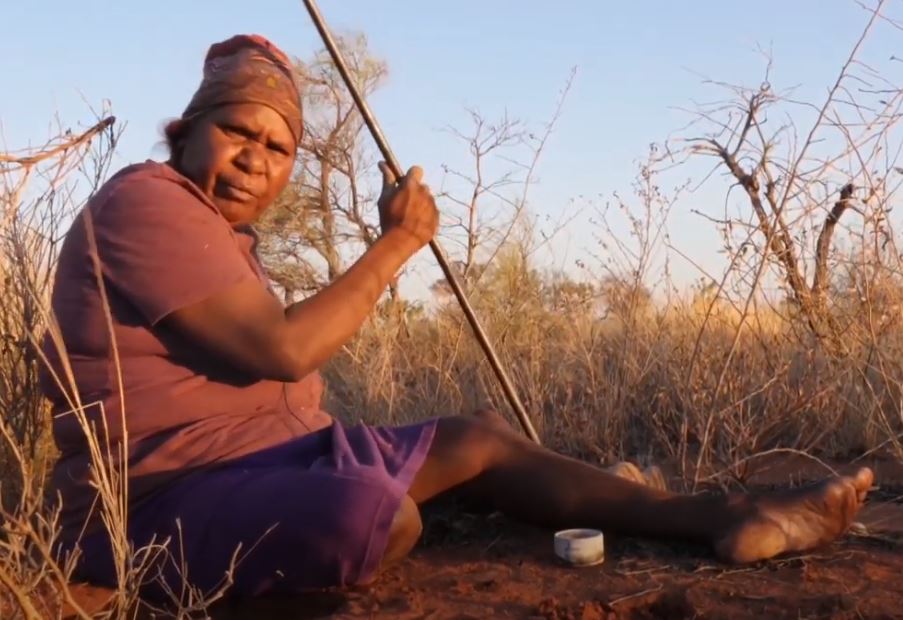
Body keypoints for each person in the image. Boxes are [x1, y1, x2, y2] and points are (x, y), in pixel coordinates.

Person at [41, 33, 873, 601]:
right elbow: (285, 350)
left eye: (278, 147)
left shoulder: (222, 235)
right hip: (156, 502)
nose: (254, 159)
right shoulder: (147, 203)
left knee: (475, 436)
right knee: (370, 512)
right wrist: (396, 243)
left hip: (281, 461)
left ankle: (720, 516)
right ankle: (392, 511)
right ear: (185, 131)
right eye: (235, 131)